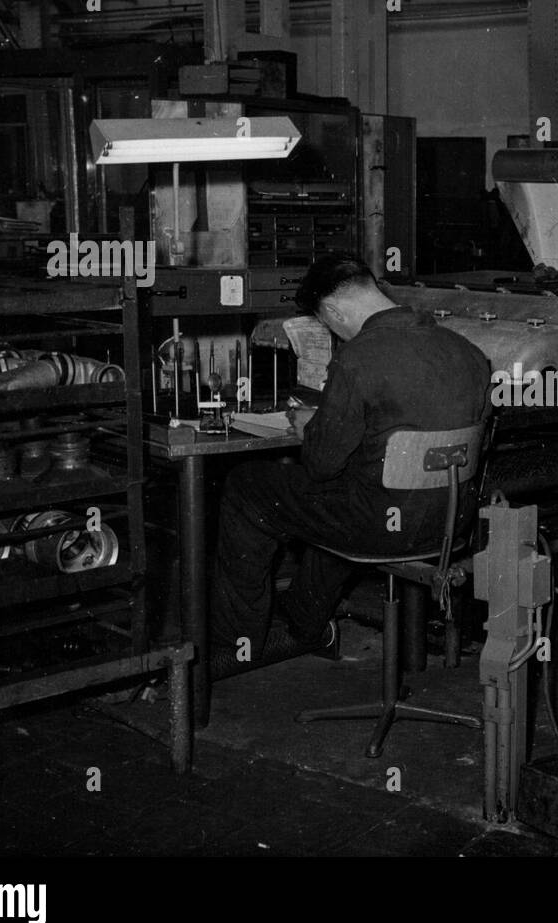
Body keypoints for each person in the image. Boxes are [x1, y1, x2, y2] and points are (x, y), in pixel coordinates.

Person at [210, 254, 491, 662]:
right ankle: (306, 623)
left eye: (327, 323)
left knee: (247, 487)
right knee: (346, 497)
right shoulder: (467, 352)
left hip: (376, 525)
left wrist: (311, 426)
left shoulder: (358, 357)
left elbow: (322, 465)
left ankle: (236, 645)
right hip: (450, 523)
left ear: (334, 311)